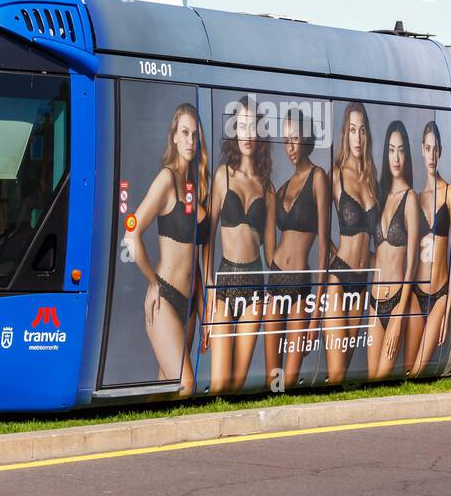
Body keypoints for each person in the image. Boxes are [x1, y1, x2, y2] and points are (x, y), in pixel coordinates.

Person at [123, 102, 210, 394]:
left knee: (167, 388)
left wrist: (204, 313)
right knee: (186, 386)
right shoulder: (167, 179)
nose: (190, 141)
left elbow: (195, 261)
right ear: (173, 136)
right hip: (166, 301)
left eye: (195, 135)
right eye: (184, 132)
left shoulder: (195, 186)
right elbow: (130, 235)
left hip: (189, 308)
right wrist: (152, 283)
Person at [205, 96, 275, 394]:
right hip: (224, 284)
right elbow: (206, 238)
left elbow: (271, 254)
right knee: (219, 383)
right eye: (242, 126)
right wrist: (209, 290)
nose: (247, 134)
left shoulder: (266, 187)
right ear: (235, 131)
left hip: (255, 286)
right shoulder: (223, 176)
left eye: (253, 126)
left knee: (236, 386)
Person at [270, 109, 330, 389]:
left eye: (295, 138)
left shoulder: (319, 178)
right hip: (275, 278)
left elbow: (322, 251)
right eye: (285, 140)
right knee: (274, 379)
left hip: (300, 285)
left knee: (290, 380)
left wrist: (316, 314)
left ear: (307, 137)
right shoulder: (281, 189)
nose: (290, 147)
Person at [324, 102, 378, 383]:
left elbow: (376, 238)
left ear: (367, 135)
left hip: (361, 282)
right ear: (345, 133)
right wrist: (335, 256)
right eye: (352, 130)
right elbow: (321, 232)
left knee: (343, 374)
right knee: (335, 374)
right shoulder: (336, 176)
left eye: (362, 130)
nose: (357, 138)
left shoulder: (371, 178)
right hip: (339, 278)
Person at [367, 121, 420, 380]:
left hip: (397, 300)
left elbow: (412, 262)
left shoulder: (410, 198)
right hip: (374, 302)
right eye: (391, 150)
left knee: (381, 378)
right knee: (369, 379)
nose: (396, 157)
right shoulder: (380, 195)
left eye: (400, 150)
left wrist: (400, 311)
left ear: (406, 155)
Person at [407, 121, 451, 376]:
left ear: (441, 152)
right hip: (416, 292)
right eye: (428, 148)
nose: (432, 155)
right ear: (421, 150)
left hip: (439, 293)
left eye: (436, 149)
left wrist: (448, 310)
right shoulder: (415, 197)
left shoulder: (450, 193)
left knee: (418, 369)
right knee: (406, 370)